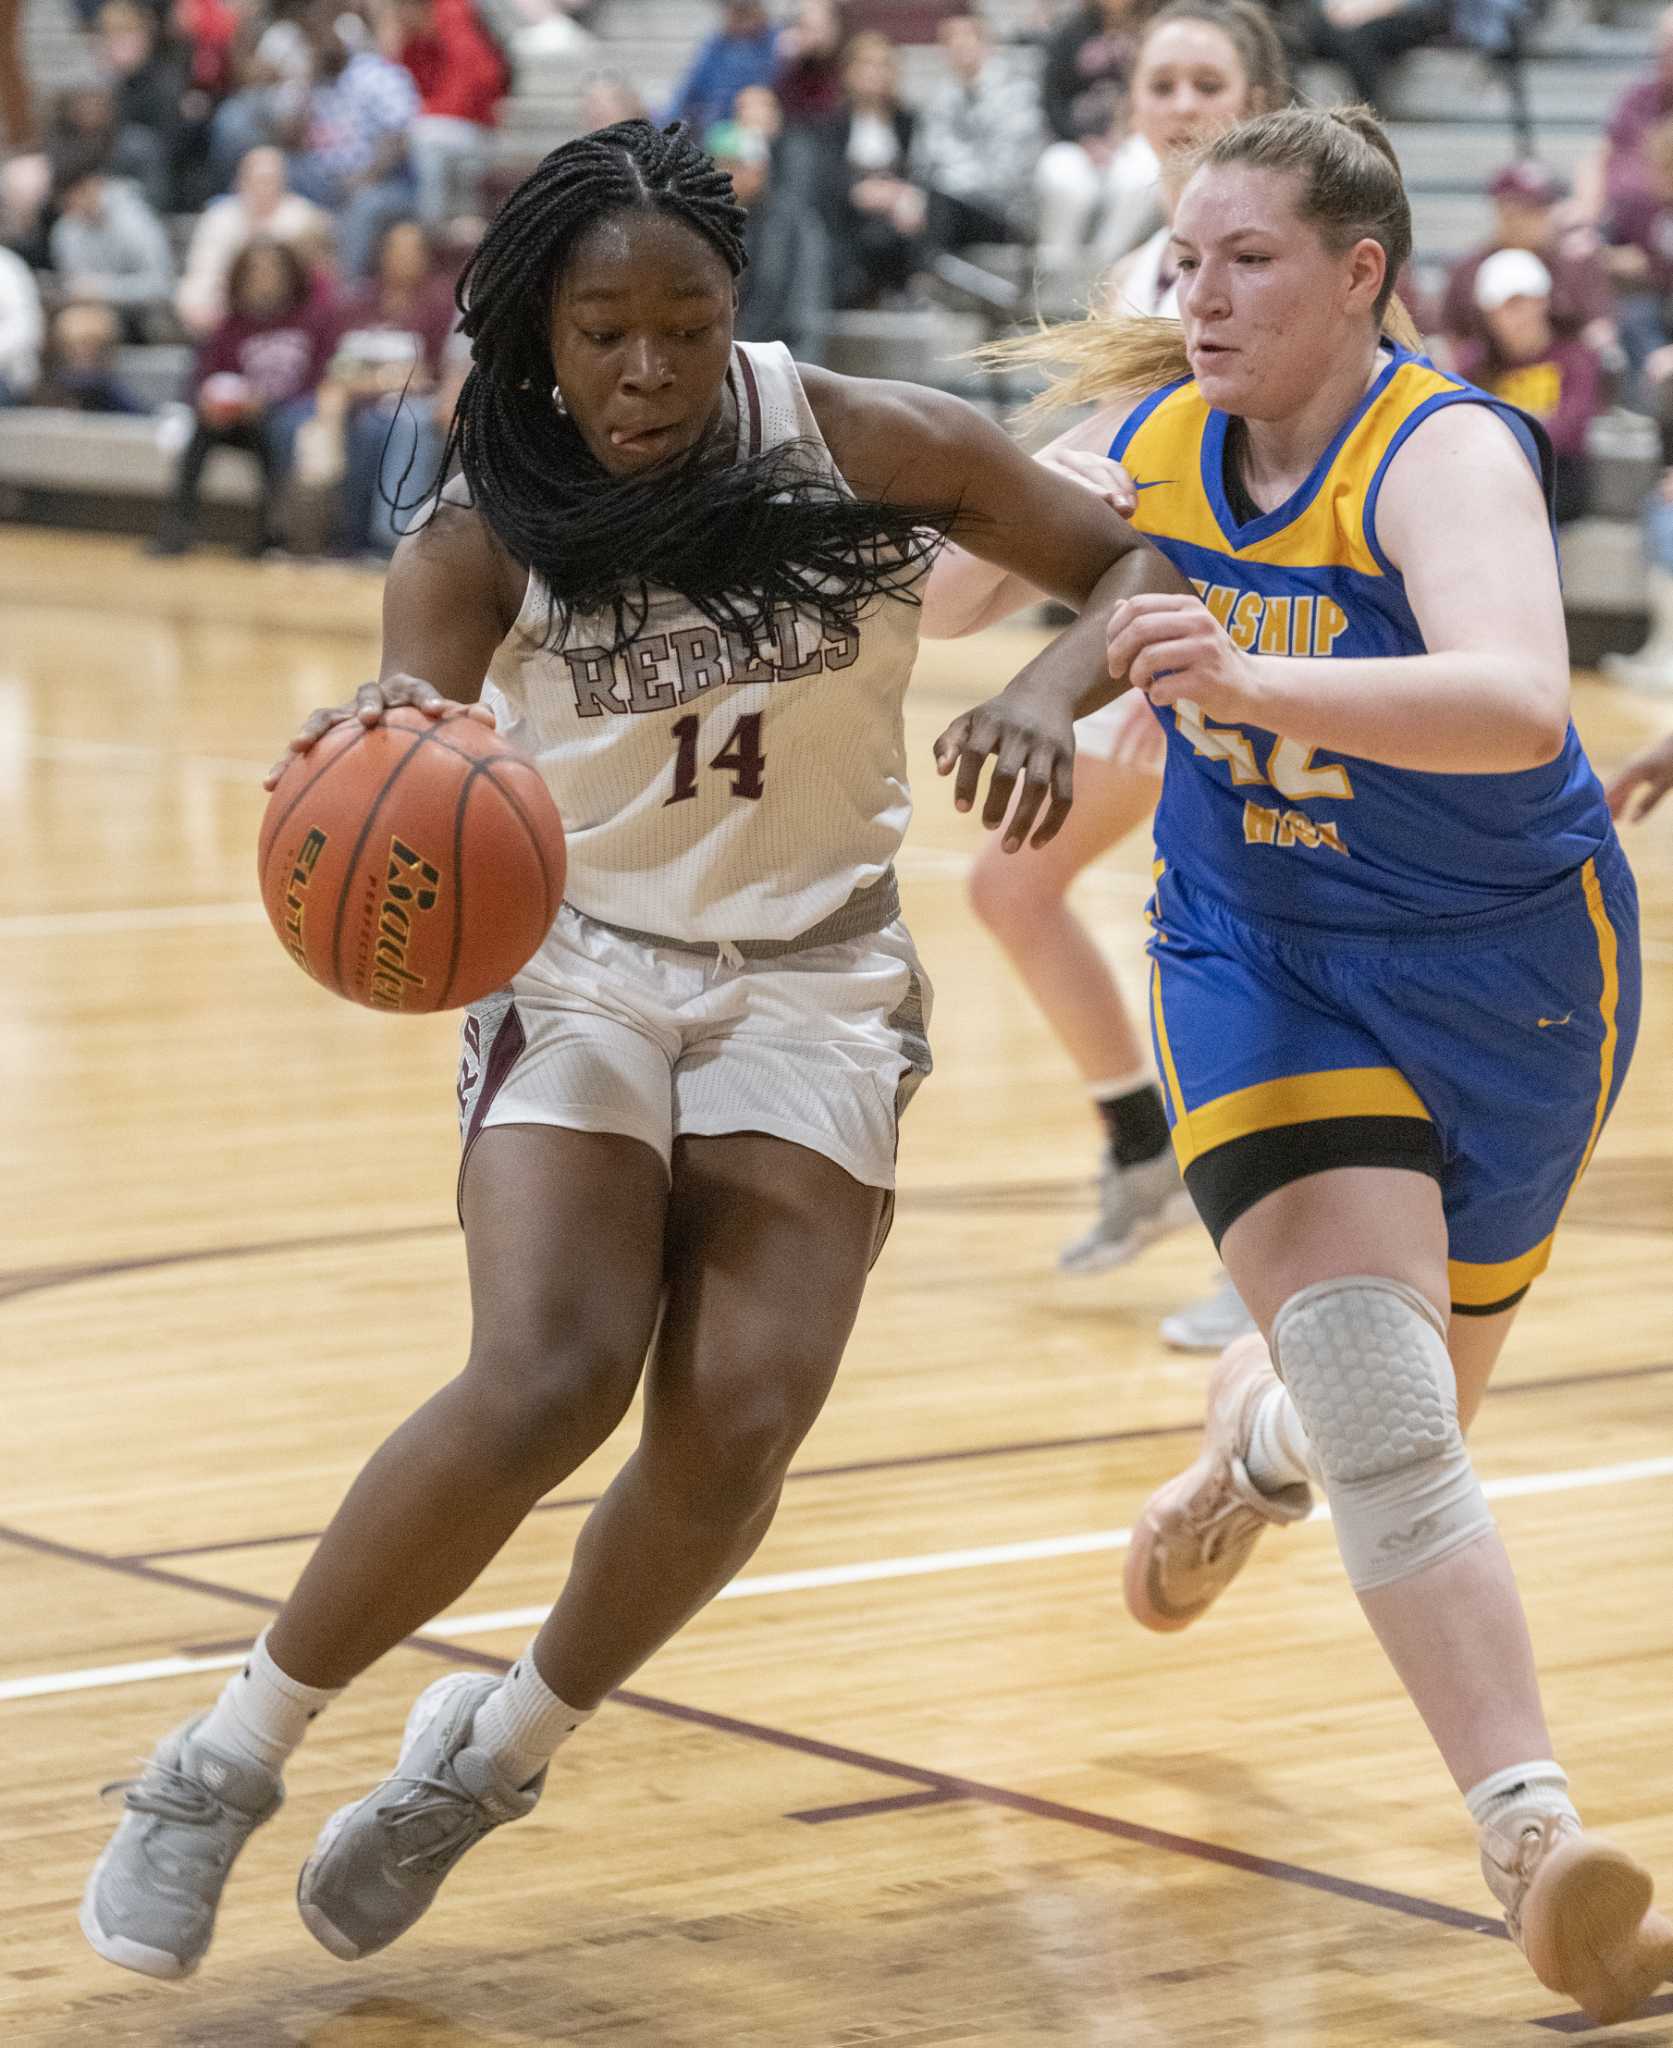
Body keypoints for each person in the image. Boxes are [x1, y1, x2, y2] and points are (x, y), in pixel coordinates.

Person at [80, 115, 1184, 1982]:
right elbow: (411, 746)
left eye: (684, 321)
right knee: (547, 1370)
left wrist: (1040, 683)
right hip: (581, 969)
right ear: (537, 335)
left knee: (740, 1416)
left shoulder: (860, 439)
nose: (649, 366)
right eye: (606, 332)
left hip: (812, 976)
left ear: (734, 310)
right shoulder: (477, 526)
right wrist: (380, 759)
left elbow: (1134, 555)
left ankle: (490, 1753)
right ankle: (217, 1756)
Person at [935, 98, 1670, 2026]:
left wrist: (1248, 678)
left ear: (1360, 276)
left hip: (1514, 981)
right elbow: (932, 581)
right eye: (1184, 260)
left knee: (1375, 1423)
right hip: (1258, 958)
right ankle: (1535, 1846)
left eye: (1246, 260)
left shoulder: (1438, 449)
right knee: (1389, 1405)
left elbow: (1520, 704)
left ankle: (1243, 1465)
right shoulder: (1152, 444)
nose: (1200, 295)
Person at [921, 0, 1283, 1358]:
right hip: (1158, 633)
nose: (1182, 102)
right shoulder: (1148, 264)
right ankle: (1141, 1144)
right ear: (1130, 105)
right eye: (1162, 82)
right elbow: (1101, 473)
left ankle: (1273, 1253)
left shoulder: (1299, 245)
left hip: (1267, 645)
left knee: (1244, 950)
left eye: (1207, 81)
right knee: (1013, 883)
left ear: (1257, 96)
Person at [148, 236, 336, 557]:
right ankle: (178, 529)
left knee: (279, 432)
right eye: (256, 272)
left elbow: (322, 376)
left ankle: (270, 533)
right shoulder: (230, 326)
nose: (265, 279)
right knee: (200, 430)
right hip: (237, 418)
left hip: (284, 416)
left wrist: (268, 404)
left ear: (291, 276)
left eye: (272, 271)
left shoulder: (313, 321)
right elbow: (202, 378)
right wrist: (209, 402)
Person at [1459, 247, 1604, 526]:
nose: (1509, 318)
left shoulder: (1574, 357)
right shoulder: (1473, 363)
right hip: (1489, 472)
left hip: (1556, 476)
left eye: (1517, 304)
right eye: (1498, 308)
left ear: (1542, 302)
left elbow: (1571, 429)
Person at [175, 142, 328, 336]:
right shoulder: (220, 218)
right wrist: (198, 303)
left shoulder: (303, 218)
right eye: (257, 179)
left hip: (292, 321)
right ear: (240, 181)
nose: (263, 187)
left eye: (270, 179)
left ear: (283, 182)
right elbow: (203, 272)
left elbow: (317, 282)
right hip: (229, 316)